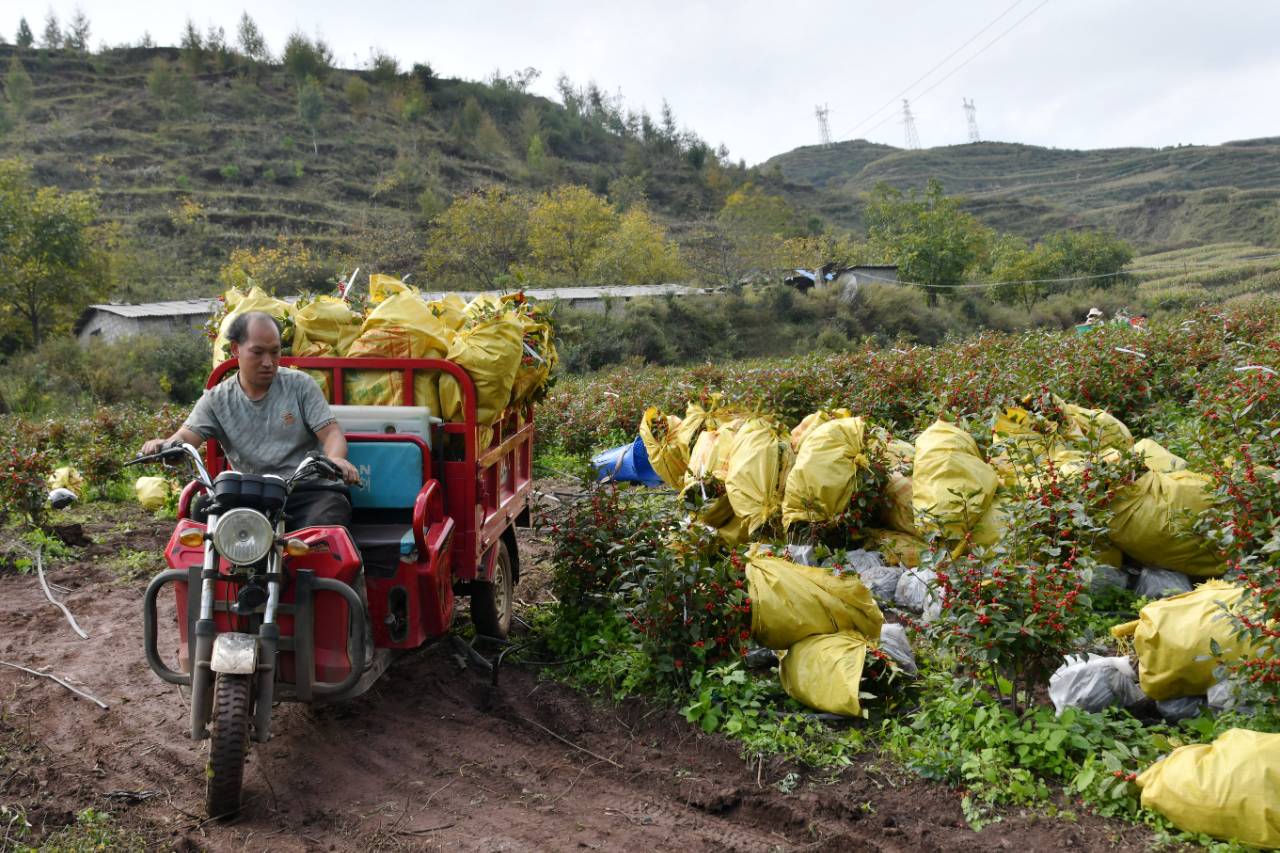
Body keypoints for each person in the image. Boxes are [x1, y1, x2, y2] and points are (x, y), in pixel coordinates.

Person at [140, 310, 360, 529]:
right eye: (258, 352)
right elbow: (185, 438)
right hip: (250, 494)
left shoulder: (301, 385)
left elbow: (331, 433)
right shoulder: (217, 399)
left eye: (275, 352)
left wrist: (336, 459)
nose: (268, 362)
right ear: (236, 349)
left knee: (326, 521)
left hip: (307, 492)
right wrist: (165, 445)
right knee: (203, 511)